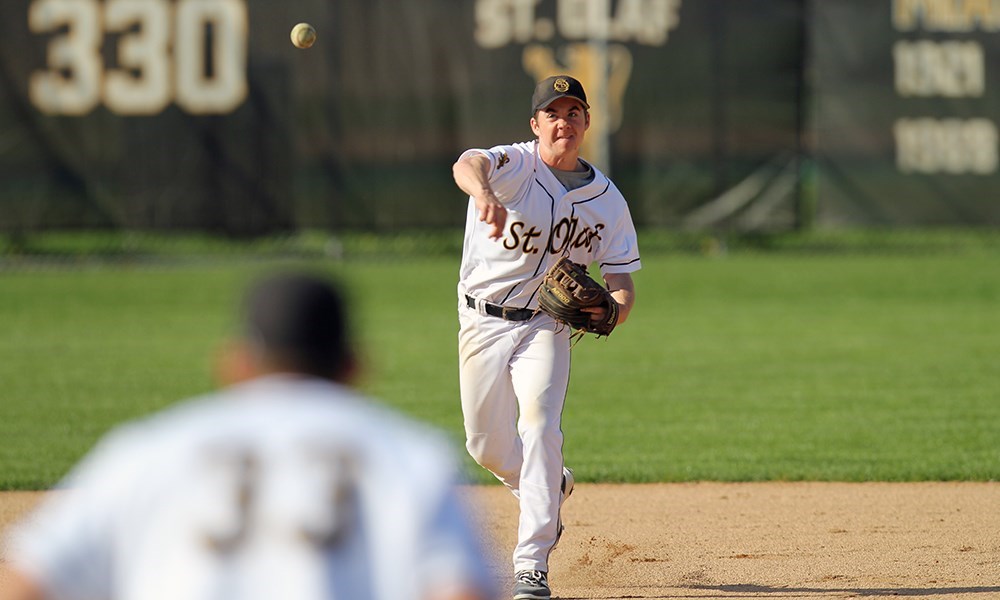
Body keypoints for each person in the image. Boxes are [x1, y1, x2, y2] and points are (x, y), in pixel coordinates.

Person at [1, 273, 495, 600]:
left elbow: (23, 581)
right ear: (354, 366)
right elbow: (459, 590)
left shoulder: (148, 451)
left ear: (233, 364)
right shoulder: (409, 457)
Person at [452, 75, 641, 600]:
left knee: (540, 428)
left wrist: (614, 310)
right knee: (485, 447)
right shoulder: (514, 165)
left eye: (573, 112)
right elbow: (467, 163)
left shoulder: (607, 200)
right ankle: (550, 485)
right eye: (553, 114)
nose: (564, 122)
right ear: (535, 125)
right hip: (483, 320)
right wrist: (484, 193)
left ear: (586, 122)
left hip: (546, 325)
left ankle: (531, 564)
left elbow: (621, 279)